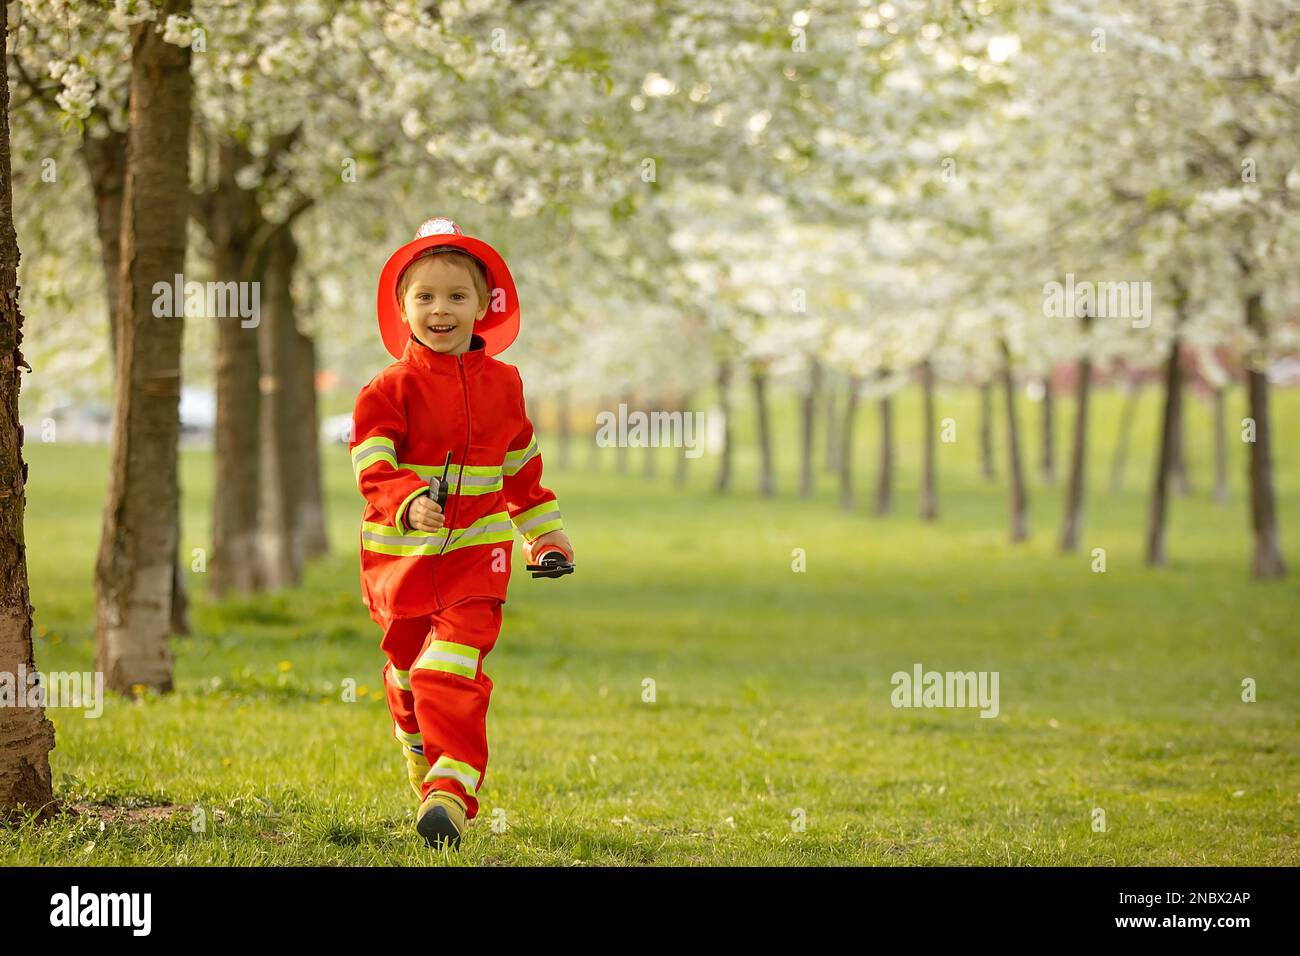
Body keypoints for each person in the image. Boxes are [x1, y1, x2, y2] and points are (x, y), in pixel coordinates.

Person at [349, 217, 574, 849]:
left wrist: (546, 539)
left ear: (483, 306)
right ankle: (417, 746)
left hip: (478, 562)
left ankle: (450, 789)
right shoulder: (388, 389)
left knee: (451, 666)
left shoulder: (505, 385)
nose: (440, 310)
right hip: (402, 568)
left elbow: (522, 475)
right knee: (406, 673)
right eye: (424, 297)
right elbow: (372, 465)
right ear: (402, 309)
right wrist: (408, 500)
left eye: (456, 297)